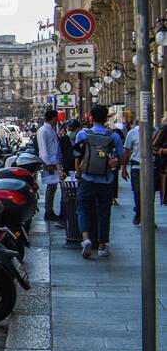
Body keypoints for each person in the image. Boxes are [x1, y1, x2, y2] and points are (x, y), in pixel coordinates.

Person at [73, 105, 124, 259]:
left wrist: (78, 172)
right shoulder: (114, 136)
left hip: (87, 178)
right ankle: (102, 245)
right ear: (106, 118)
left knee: (83, 209)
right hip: (106, 180)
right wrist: (113, 163)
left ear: (91, 118)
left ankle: (86, 238)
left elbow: (77, 156)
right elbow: (121, 157)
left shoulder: (82, 134)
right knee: (104, 212)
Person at [37, 109, 62, 222]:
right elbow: (43, 149)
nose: (58, 120)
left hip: (54, 162)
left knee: (53, 187)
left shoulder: (51, 129)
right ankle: (48, 212)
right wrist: (47, 164)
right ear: (52, 118)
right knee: (51, 188)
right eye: (56, 117)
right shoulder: (43, 130)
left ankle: (50, 211)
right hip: (49, 163)